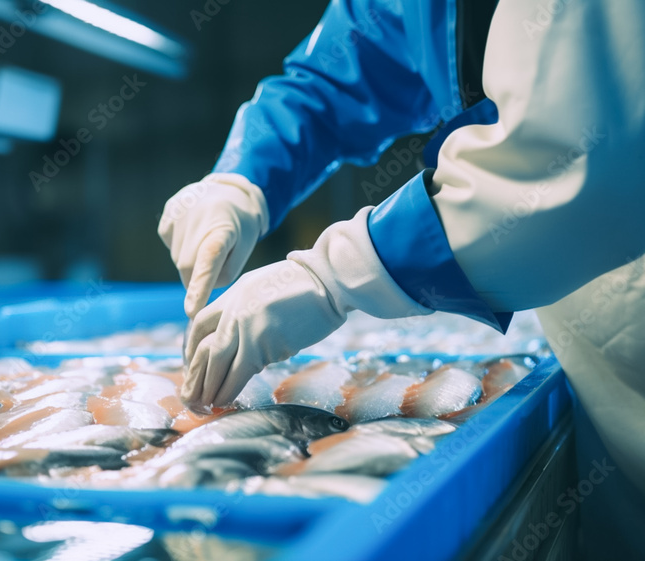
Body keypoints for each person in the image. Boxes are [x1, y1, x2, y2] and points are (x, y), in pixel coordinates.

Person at [158, 0, 644, 557]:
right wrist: (242, 179)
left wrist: (336, 273)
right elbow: (354, 57)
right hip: (577, 306)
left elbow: (576, 150)